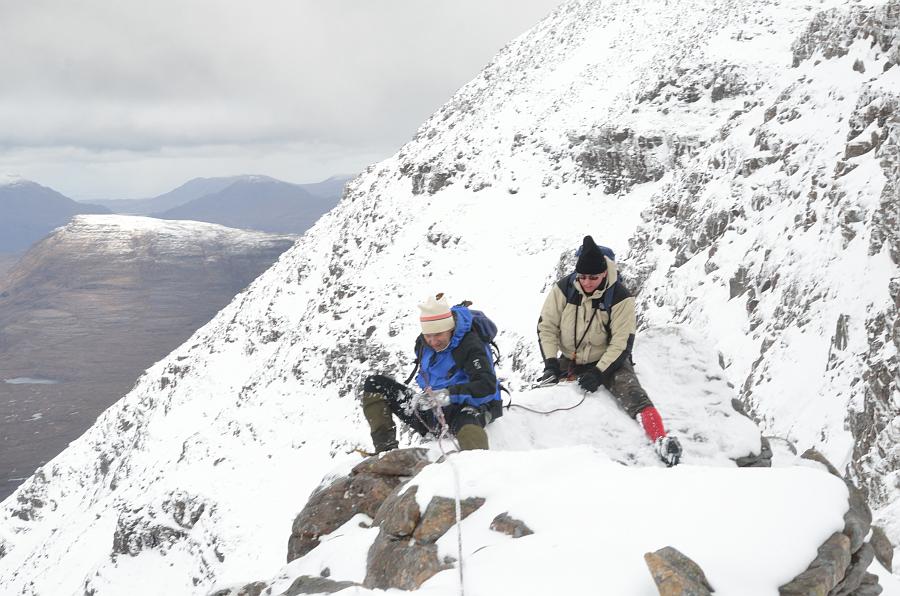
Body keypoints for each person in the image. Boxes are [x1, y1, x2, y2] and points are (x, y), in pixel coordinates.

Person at [537, 235, 682, 466]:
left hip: (609, 359)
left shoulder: (620, 297)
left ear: (604, 272)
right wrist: (551, 364)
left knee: (633, 393)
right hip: (571, 358)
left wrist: (598, 372)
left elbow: (621, 343)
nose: (586, 282)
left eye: (593, 277)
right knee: (545, 392)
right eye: (582, 277)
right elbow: (547, 326)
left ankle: (661, 439)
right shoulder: (564, 289)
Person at [361, 293, 503, 453]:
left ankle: (477, 467)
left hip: (466, 407)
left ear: (450, 329)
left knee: (469, 426)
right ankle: (385, 453)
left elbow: (487, 386)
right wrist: (432, 399)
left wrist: (448, 395)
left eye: (438, 335)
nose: (433, 341)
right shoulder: (422, 345)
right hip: (432, 407)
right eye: (428, 335)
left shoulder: (469, 346)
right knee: (376, 385)